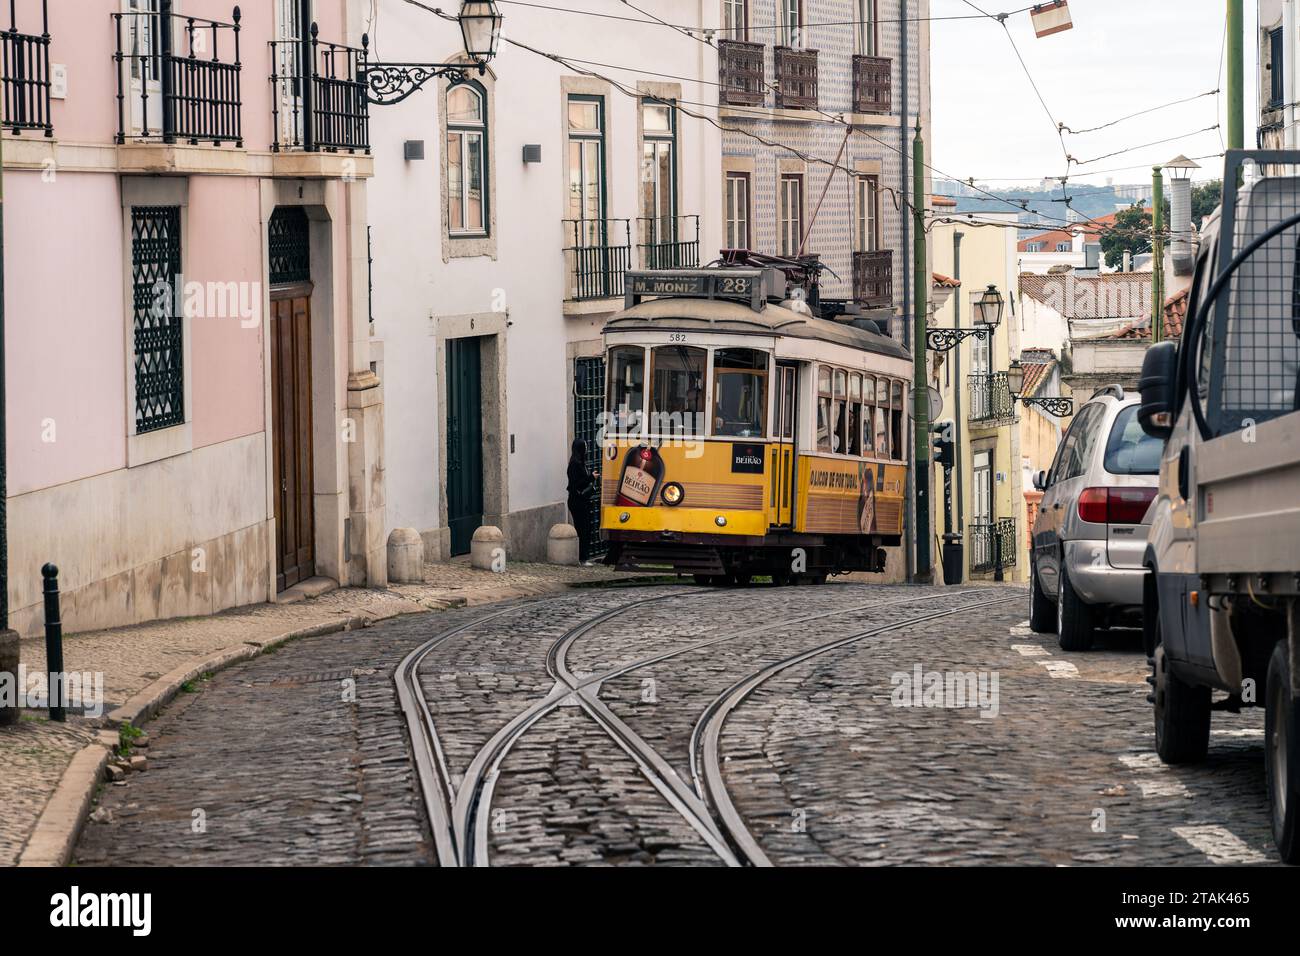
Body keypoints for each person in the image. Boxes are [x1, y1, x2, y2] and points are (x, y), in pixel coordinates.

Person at [567, 439, 598, 561]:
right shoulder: (574, 465)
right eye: (585, 447)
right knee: (582, 530)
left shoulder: (581, 463)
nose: (587, 449)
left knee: (586, 529)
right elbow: (575, 484)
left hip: (583, 501)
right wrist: (591, 478)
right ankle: (582, 558)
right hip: (577, 501)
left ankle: (584, 556)